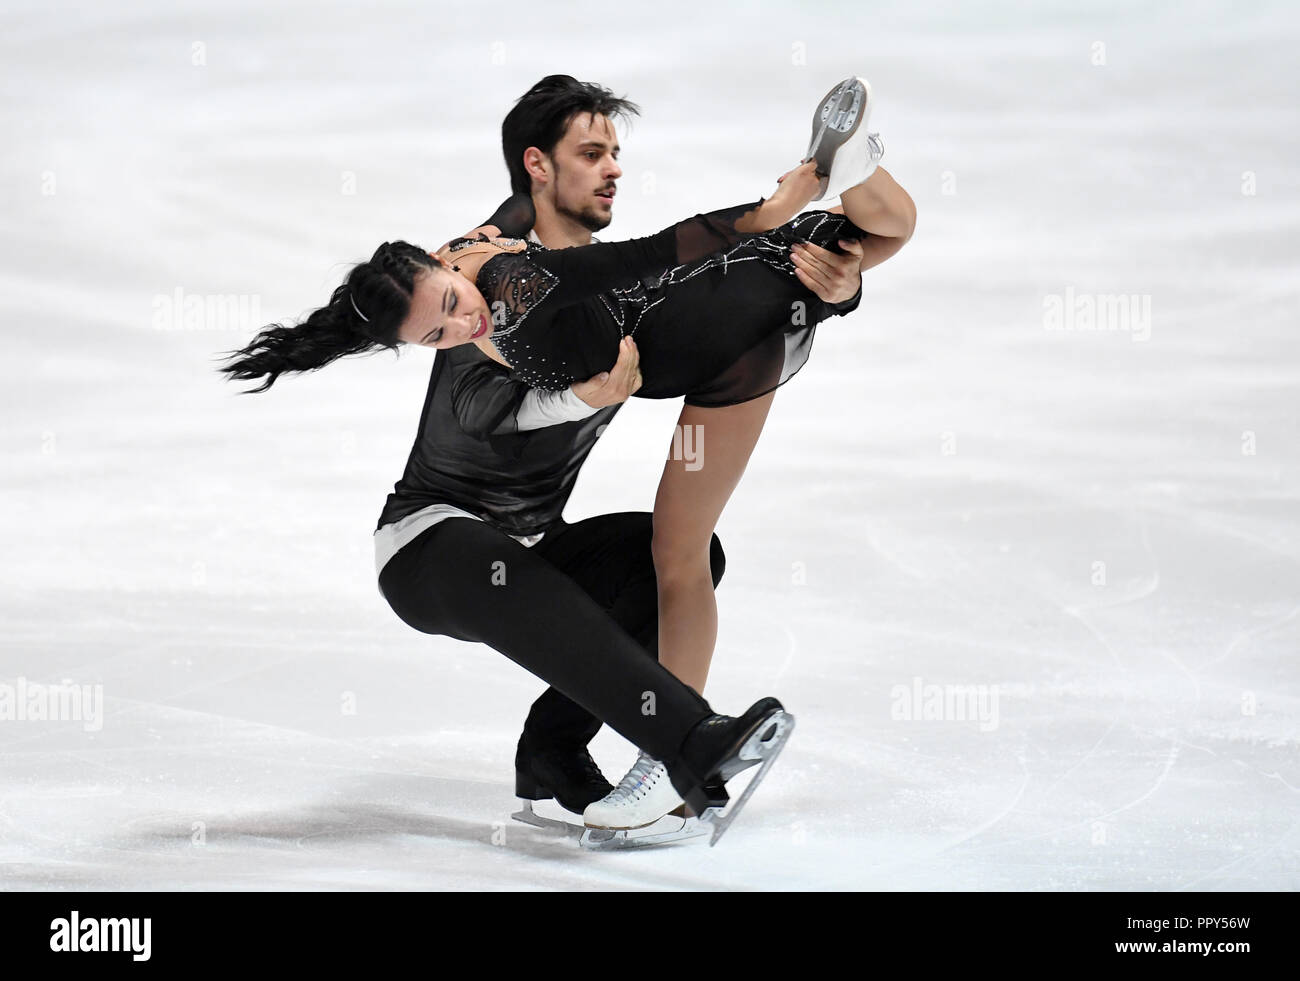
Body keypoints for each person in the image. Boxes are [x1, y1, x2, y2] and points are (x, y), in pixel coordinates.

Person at [219, 76, 909, 836]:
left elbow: (662, 272)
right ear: (537, 166)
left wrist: (838, 284)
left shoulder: (542, 270)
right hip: (432, 547)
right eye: (591, 152)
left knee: (677, 557)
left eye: (614, 151)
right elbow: (513, 391)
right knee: (505, 569)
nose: (614, 167)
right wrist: (583, 396)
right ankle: (690, 740)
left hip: (534, 543)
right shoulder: (492, 291)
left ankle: (552, 750)